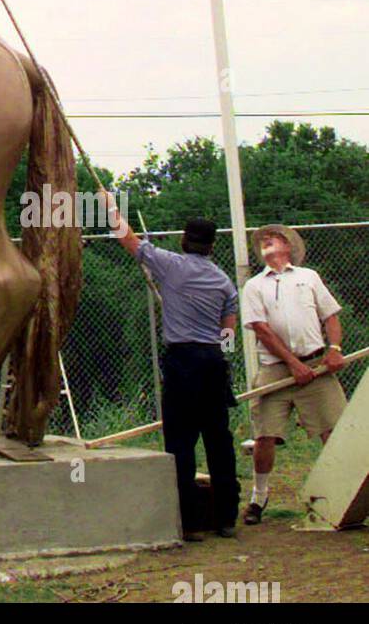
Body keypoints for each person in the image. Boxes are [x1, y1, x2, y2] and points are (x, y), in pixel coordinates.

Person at [108, 203, 240, 540]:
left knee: (180, 442)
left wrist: (110, 208)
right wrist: (221, 362)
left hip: (182, 361)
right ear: (212, 246)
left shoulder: (170, 265)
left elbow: (129, 240)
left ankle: (192, 522)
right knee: (218, 441)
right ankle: (226, 517)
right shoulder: (224, 282)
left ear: (185, 241)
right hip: (212, 361)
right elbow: (228, 333)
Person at [241, 224, 346, 525]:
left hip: (315, 367)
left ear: (287, 245)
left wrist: (335, 348)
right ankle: (259, 496)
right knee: (265, 436)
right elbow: (261, 328)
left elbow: (330, 315)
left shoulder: (308, 277)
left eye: (271, 239)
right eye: (262, 241)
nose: (265, 243)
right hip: (275, 371)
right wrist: (292, 364)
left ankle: (344, 493)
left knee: (334, 432)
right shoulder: (255, 286)